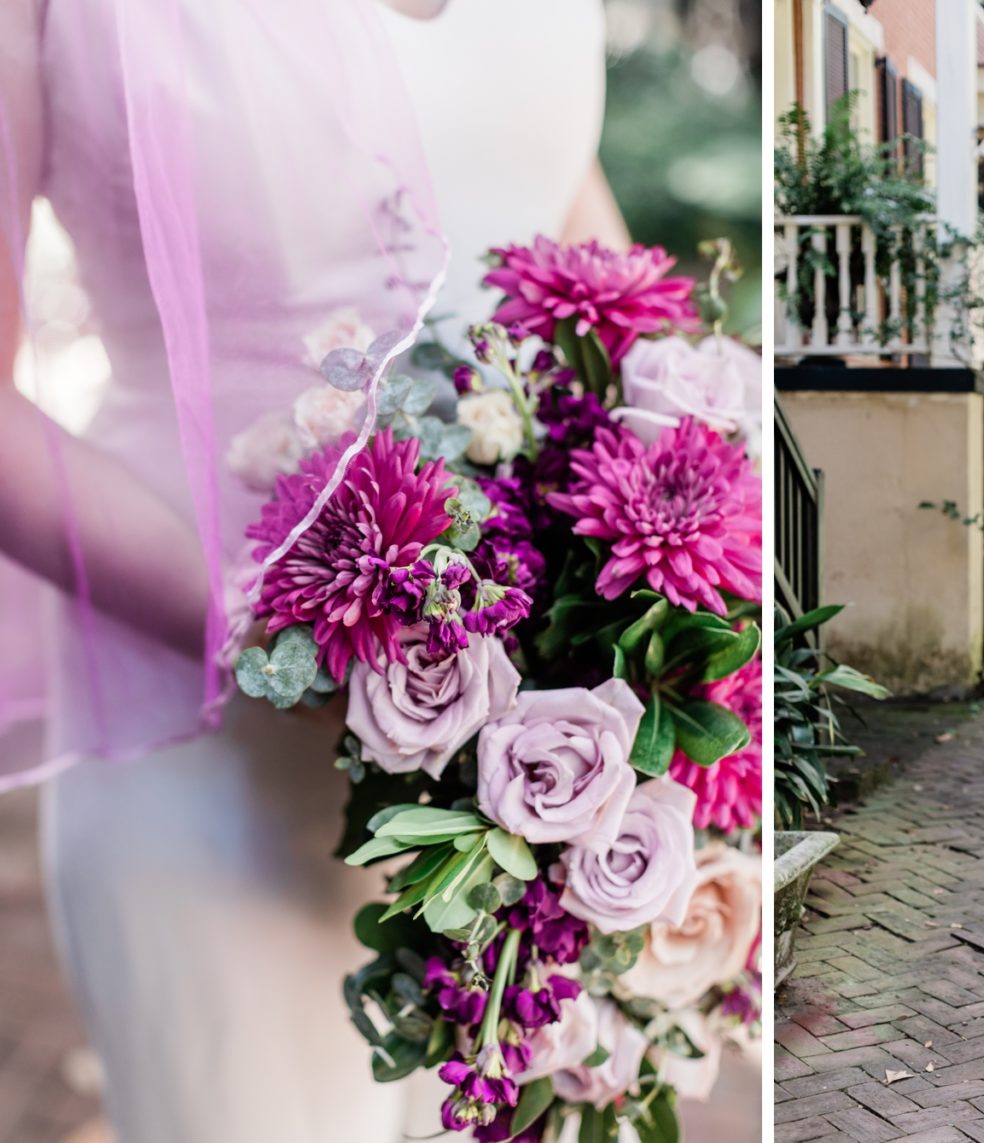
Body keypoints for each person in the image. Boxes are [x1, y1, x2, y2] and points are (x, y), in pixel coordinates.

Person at [0, 1, 622, 1139]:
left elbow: (577, 264)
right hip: (207, 755)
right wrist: (301, 636)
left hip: (539, 764)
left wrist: (671, 619)